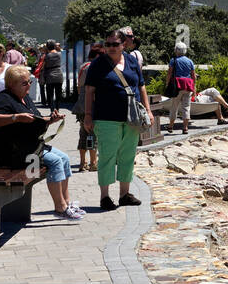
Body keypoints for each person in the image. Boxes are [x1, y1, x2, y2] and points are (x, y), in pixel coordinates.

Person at [0, 65, 83, 219]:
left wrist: (52, 120)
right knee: (55, 162)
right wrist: (16, 117)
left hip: (31, 147)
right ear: (12, 84)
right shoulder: (3, 99)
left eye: (29, 82)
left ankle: (66, 203)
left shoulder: (25, 98)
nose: (29, 86)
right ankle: (60, 208)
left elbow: (37, 120)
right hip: (14, 154)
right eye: (24, 83)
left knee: (64, 158)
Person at [83, 29, 152, 209]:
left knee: (128, 156)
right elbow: (89, 91)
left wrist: (149, 111)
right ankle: (105, 197)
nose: (111, 47)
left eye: (115, 44)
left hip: (132, 118)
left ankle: (124, 194)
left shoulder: (131, 61)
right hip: (106, 117)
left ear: (124, 45)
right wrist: (88, 116)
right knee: (107, 156)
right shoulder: (98, 64)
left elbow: (141, 87)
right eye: (108, 44)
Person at [74, 44, 102, 171]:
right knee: (92, 134)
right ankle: (93, 162)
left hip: (80, 104)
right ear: (97, 56)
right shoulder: (95, 67)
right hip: (92, 105)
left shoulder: (83, 66)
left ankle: (82, 163)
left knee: (83, 134)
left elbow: (79, 87)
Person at [165, 40, 195, 134]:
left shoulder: (173, 60)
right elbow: (193, 75)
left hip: (177, 86)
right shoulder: (190, 61)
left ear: (177, 50)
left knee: (174, 106)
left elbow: (169, 73)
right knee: (186, 107)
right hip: (188, 85)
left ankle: (170, 126)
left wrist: (167, 83)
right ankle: (185, 128)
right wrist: (194, 88)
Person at [39, 40, 64, 111]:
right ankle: (58, 109)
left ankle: (52, 110)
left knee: (50, 94)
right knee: (58, 94)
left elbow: (43, 66)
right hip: (59, 74)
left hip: (50, 75)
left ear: (47, 47)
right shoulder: (59, 54)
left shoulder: (47, 56)